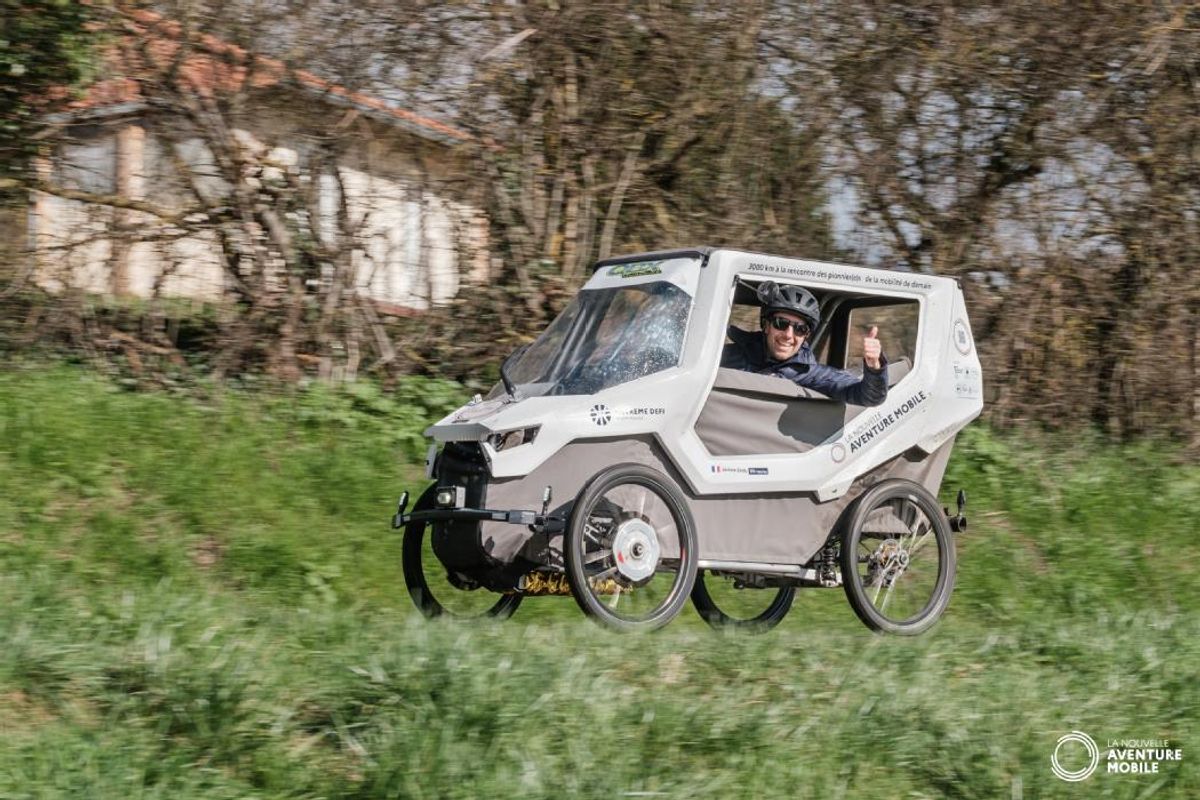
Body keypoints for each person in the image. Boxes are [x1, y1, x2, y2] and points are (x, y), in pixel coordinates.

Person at [721, 281, 888, 406]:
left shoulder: (812, 375)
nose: (788, 335)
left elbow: (870, 397)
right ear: (766, 325)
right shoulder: (724, 355)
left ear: (806, 336)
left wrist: (874, 367)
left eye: (800, 329)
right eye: (781, 323)